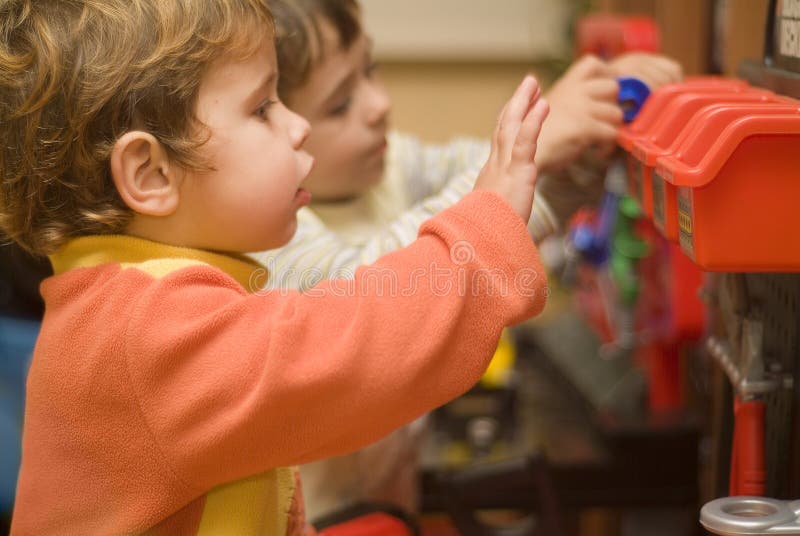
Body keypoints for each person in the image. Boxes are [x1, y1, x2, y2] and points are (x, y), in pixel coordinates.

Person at [0, 0, 554, 534]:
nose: (298, 127)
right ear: (151, 174)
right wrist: (485, 229)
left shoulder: (143, 300)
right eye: (263, 107)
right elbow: (343, 355)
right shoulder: (139, 337)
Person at [252, 0, 683, 519]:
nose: (378, 104)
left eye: (370, 70)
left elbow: (494, 178)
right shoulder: (267, 239)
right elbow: (366, 291)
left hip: (389, 507)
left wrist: (578, 144)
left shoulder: (392, 168)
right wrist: (530, 153)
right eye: (340, 104)